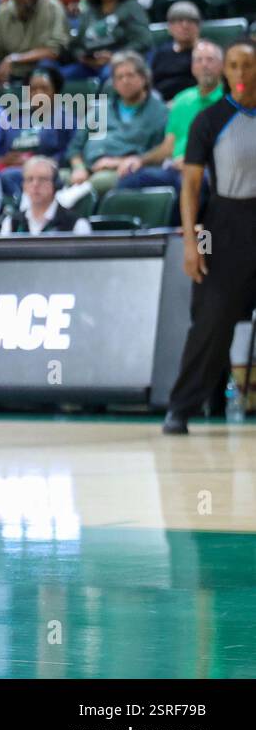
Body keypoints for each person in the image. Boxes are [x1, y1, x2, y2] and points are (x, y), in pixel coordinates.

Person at [161, 38, 256, 434]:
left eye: (246, 65)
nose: (238, 73)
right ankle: (182, 407)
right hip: (223, 224)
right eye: (231, 65)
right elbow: (191, 188)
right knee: (212, 319)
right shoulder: (210, 120)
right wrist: (190, 243)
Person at [119, 40, 224, 196]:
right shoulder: (181, 100)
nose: (204, 65)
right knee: (130, 180)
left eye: (210, 60)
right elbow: (167, 147)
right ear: (192, 67)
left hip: (207, 169)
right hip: (174, 168)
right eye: (198, 60)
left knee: (194, 184)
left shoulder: (229, 99)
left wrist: (195, 162)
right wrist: (140, 160)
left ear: (222, 66)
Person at [66, 50, 170, 198]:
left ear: (144, 78)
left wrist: (117, 162)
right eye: (119, 77)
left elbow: (161, 153)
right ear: (113, 84)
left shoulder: (160, 112)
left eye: (130, 75)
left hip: (125, 171)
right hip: (85, 169)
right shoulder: (100, 109)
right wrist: (78, 168)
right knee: (48, 177)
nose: (125, 81)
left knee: (99, 182)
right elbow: (75, 148)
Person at [0, 64, 79, 198]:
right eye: (33, 89)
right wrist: (5, 159)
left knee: (9, 176)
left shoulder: (66, 119)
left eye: (44, 89)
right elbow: (2, 151)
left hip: (47, 172)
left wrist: (38, 164)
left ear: (55, 92)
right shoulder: (15, 117)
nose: (38, 94)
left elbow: (71, 152)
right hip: (15, 169)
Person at [62, 0, 153, 82]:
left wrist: (115, 56)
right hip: (91, 63)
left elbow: (143, 40)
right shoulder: (89, 12)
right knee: (60, 77)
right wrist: (83, 57)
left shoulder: (131, 7)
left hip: (121, 62)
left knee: (108, 76)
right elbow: (77, 45)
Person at [0, 156, 92, 234]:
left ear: (56, 184)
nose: (35, 185)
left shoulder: (77, 225)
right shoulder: (11, 223)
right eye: (30, 179)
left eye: (42, 179)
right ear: (24, 186)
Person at [148, 1, 203, 101]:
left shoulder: (205, 53)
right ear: (169, 28)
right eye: (179, 21)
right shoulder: (162, 52)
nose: (185, 25)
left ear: (198, 26)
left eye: (191, 21)